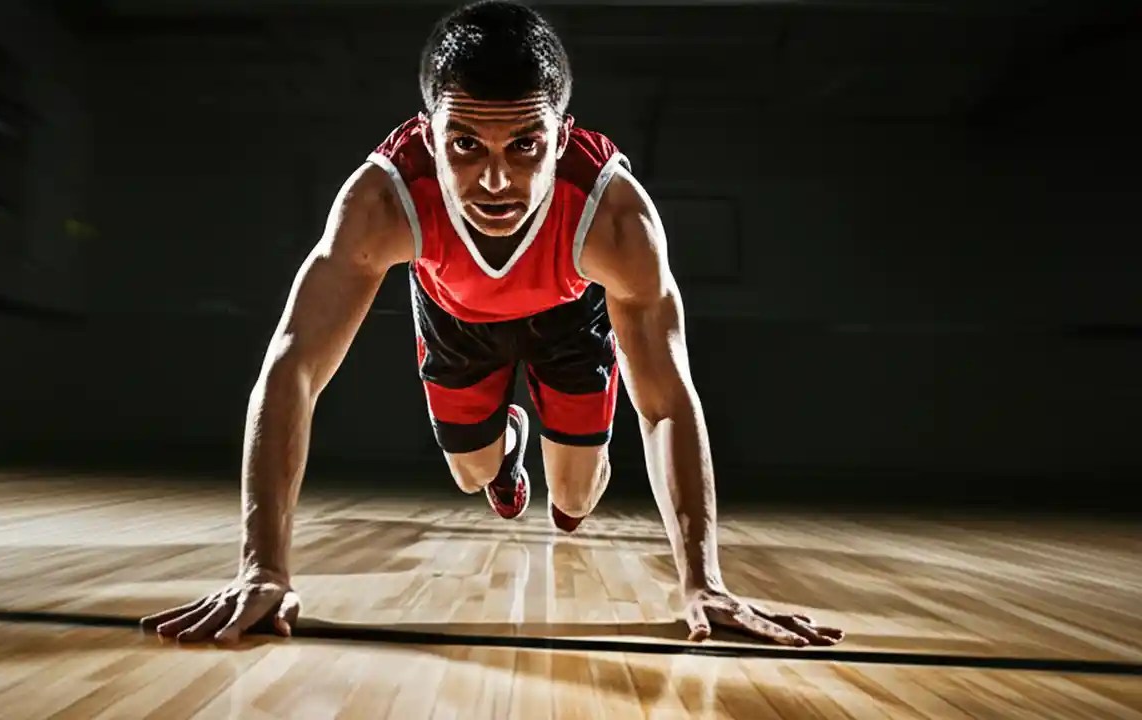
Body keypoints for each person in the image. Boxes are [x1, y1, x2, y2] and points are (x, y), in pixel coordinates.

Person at [141, 0, 844, 649]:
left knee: (574, 499)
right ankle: (508, 446)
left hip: (569, 317)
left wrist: (703, 581)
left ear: (562, 138)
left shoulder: (614, 218)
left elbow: (664, 402)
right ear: (428, 135)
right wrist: (263, 566)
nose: (496, 181)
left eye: (525, 147)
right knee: (471, 474)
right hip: (456, 318)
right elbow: (292, 367)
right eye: (467, 146)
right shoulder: (383, 202)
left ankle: (565, 460)